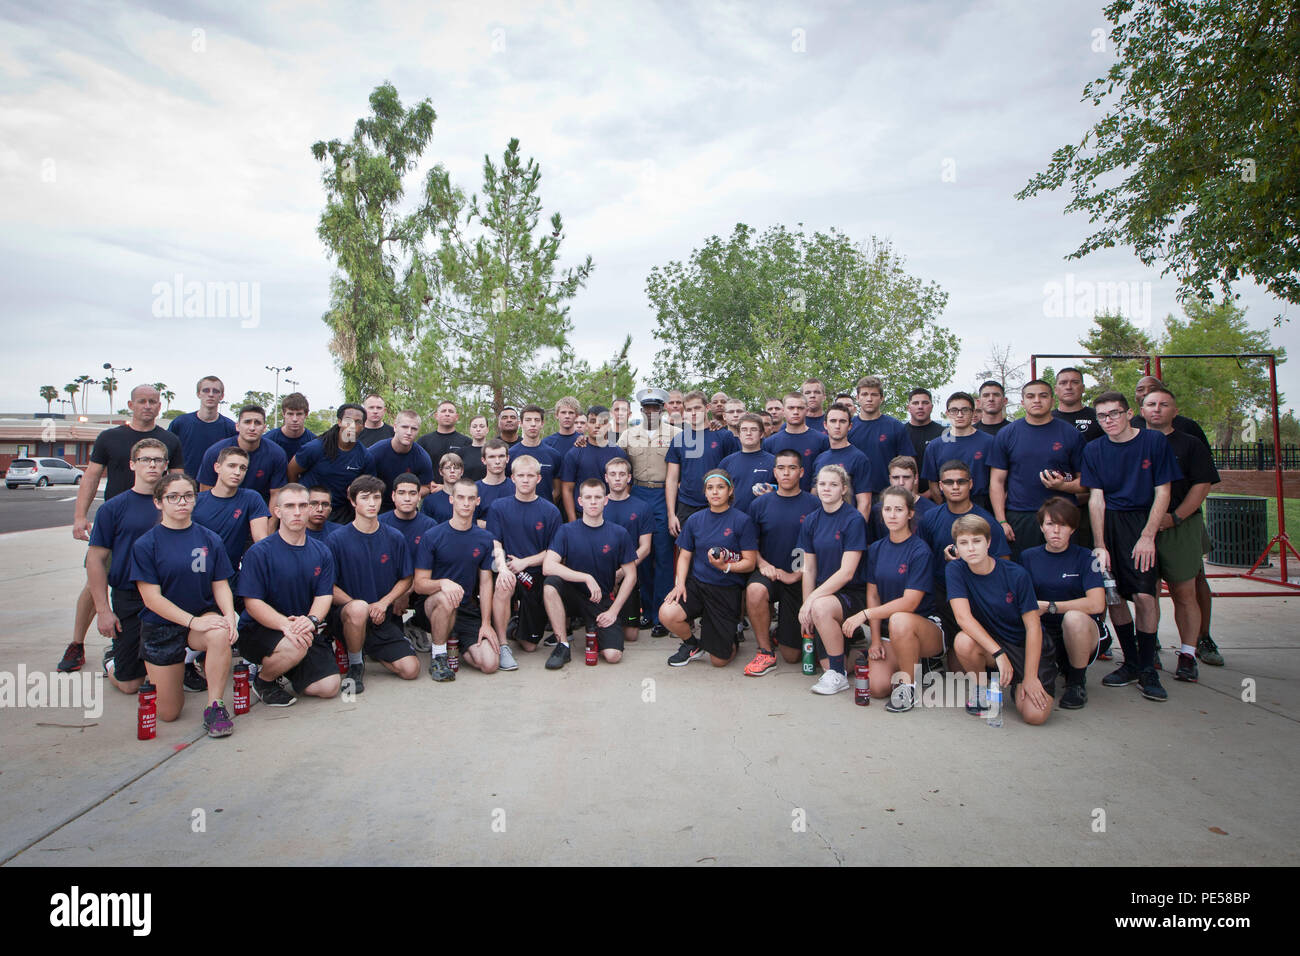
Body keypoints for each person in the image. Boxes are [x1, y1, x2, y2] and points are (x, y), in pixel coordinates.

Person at [62, 384, 181, 674]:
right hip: (120, 524)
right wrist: (80, 516)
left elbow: (178, 479)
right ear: (131, 404)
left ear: (159, 406)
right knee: (96, 582)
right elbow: (91, 476)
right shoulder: (110, 437)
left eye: (153, 401)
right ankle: (77, 643)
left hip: (157, 520)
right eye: (142, 401)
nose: (148, 406)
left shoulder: (170, 441)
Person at [1080, 390, 1180, 702]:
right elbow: (1096, 498)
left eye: (1114, 413)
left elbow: (1163, 492)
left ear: (1127, 413)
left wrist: (1148, 536)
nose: (1108, 420)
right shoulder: (1094, 449)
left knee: (1145, 596)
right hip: (1108, 525)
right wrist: (1100, 544)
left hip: (1141, 523)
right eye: (1102, 416)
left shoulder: (1153, 442)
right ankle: (1132, 663)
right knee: (1114, 597)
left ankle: (1149, 666)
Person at [130, 472, 239, 738]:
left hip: (200, 619)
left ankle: (215, 706)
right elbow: (151, 599)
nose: (182, 502)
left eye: (188, 496)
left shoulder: (210, 538)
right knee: (169, 713)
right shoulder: (147, 544)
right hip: (162, 626)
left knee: (219, 632)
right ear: (159, 502)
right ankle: (114, 668)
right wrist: (192, 621)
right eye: (173, 497)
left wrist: (229, 616)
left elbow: (220, 583)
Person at [236, 483, 342, 708]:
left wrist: (311, 621)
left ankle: (288, 665)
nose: (297, 512)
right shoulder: (260, 552)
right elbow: (252, 603)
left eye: (304, 505)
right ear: (277, 511)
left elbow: (324, 596)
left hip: (302, 628)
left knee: (329, 687)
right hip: (260, 630)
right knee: (295, 647)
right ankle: (264, 680)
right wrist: (285, 625)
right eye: (290, 506)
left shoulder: (322, 551)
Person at [1142, 385, 1221, 681]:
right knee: (1147, 593)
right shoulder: (1134, 442)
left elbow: (1202, 484)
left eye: (1164, 404)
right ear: (1141, 410)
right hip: (1142, 528)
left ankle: (1188, 653)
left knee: (1183, 592)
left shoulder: (1189, 444)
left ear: (1175, 411)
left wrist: (1175, 517)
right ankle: (1149, 650)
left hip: (1179, 525)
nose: (1157, 409)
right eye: (1151, 404)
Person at [948, 514, 1054, 725]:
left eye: (976, 541)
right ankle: (983, 690)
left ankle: (1020, 683)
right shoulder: (955, 569)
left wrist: (1031, 677)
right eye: (964, 543)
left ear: (988, 542)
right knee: (963, 641)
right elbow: (963, 618)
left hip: (1024, 647)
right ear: (956, 548)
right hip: (994, 646)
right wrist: (999, 653)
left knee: (1035, 716)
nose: (971, 548)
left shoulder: (1016, 574)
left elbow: (1033, 628)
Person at [842, 486, 941, 712]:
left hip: (923, 627)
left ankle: (909, 686)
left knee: (899, 618)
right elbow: (873, 595)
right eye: (888, 509)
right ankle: (908, 662)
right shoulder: (876, 549)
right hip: (890, 633)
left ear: (910, 513)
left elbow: (910, 603)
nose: (892, 514)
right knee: (876, 688)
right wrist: (875, 640)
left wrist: (864, 615)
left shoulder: (920, 551)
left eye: (899, 509)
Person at [86, 437, 167, 695]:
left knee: (162, 678)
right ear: (132, 465)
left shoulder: (177, 503)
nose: (152, 465)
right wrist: (103, 610)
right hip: (130, 596)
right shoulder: (113, 509)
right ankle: (113, 661)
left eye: (158, 460)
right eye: (145, 460)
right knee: (131, 685)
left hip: (168, 594)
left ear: (166, 465)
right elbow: (96, 560)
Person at [326, 475, 420, 692]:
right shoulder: (336, 539)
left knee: (411, 670)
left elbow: (406, 578)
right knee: (357, 611)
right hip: (347, 615)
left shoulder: (394, 537)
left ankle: (366, 646)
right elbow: (327, 587)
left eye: (376, 497)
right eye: (365, 497)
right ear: (353, 501)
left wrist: (383, 604)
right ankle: (356, 663)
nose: (371, 503)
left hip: (381, 617)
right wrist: (359, 606)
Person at [661, 469, 758, 668]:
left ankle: (731, 635)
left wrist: (726, 567)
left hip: (725, 589)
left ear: (730, 491)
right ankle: (692, 645)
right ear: (704, 492)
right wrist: (679, 584)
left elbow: (750, 561)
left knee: (719, 661)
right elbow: (684, 555)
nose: (715, 492)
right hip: (698, 585)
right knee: (667, 612)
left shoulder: (742, 520)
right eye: (710, 488)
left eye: (720, 487)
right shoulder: (695, 520)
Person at [541, 479, 639, 669]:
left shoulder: (619, 533)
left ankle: (592, 627)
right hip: (572, 594)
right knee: (550, 585)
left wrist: (613, 611)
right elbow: (548, 566)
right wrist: (586, 577)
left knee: (612, 656)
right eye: (588, 497)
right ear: (580, 501)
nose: (593, 502)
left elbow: (631, 575)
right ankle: (562, 645)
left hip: (599, 598)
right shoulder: (566, 531)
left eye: (597, 497)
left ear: (606, 500)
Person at [1019, 497, 1106, 710]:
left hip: (1083, 630)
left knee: (1073, 618)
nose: (1056, 531)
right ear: (1041, 527)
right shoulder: (1028, 557)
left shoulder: (1087, 557)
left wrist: (1051, 606)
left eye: (1063, 525)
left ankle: (1076, 682)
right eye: (1050, 524)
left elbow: (1097, 604)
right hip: (1044, 631)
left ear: (1073, 529)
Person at [919, 459, 1011, 655]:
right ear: (940, 486)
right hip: (941, 595)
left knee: (962, 662)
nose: (955, 487)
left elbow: (1004, 566)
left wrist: (970, 562)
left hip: (977, 596)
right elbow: (922, 560)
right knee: (953, 662)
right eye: (949, 482)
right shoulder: (929, 518)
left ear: (971, 484)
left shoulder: (988, 522)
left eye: (961, 482)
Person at [987, 379, 1086, 559]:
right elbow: (997, 482)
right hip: (1021, 516)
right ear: (1023, 402)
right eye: (1031, 396)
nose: (1037, 401)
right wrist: (1001, 520)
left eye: (1043, 396)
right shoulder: (1007, 434)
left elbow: (1086, 483)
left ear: (1052, 400)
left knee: (1064, 573)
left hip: (1062, 516)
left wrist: (1063, 486)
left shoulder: (1071, 433)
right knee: (1022, 574)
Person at [794, 464, 870, 694]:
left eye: (833, 484)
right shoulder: (811, 520)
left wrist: (811, 602)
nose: (827, 489)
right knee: (827, 662)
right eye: (822, 484)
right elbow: (808, 567)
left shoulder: (853, 519)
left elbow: (847, 573)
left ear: (844, 488)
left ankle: (837, 676)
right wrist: (805, 605)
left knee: (821, 607)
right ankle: (860, 654)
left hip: (851, 592)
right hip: (823, 595)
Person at [742, 450, 818, 676]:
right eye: (781, 468)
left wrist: (797, 574)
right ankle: (765, 650)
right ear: (774, 472)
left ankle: (781, 633)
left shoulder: (814, 505)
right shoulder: (760, 504)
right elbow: (749, 543)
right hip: (769, 572)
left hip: (799, 575)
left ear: (801, 472)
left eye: (792, 468)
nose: (786, 473)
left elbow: (815, 547)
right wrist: (762, 563)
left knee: (793, 657)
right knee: (755, 590)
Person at [413, 478, 498, 679]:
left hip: (466, 609)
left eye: (471, 499)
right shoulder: (432, 536)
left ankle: (454, 641)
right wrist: (443, 583)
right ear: (451, 500)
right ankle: (439, 657)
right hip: (433, 605)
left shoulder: (485, 538)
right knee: (446, 597)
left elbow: (486, 583)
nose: (466, 503)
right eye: (460, 497)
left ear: (478, 501)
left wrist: (486, 623)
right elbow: (419, 585)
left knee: (490, 664)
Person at [486, 455, 563, 663]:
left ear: (539, 479)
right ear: (513, 478)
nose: (525, 480)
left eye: (530, 476)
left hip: (535, 575)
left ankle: (515, 627)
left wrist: (526, 562)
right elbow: (495, 543)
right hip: (508, 570)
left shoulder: (551, 511)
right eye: (521, 475)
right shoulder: (499, 507)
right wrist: (502, 568)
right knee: (504, 585)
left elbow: (554, 552)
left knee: (529, 646)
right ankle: (503, 646)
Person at [618, 388, 681, 637]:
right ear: (642, 410)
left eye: (656, 408)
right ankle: (645, 611)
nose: (652, 412)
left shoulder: (676, 434)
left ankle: (661, 615)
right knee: (640, 556)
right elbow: (617, 462)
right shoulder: (628, 435)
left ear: (663, 409)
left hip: (663, 494)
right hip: (637, 494)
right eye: (647, 408)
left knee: (664, 556)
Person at [192, 445, 271, 594]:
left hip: (231, 576)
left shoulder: (251, 498)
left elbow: (261, 539)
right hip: (197, 574)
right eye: (231, 466)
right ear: (217, 467)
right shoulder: (195, 501)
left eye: (242, 468)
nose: (237, 472)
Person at [378, 472, 439, 650]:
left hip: (418, 586)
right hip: (388, 587)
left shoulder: (430, 526)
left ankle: (417, 624)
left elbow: (428, 568)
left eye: (412, 493)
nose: (407, 498)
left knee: (439, 593)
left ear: (419, 496)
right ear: (393, 496)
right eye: (402, 493)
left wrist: (405, 593)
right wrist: (396, 595)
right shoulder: (380, 523)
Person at [666, 391, 739, 536]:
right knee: (686, 554)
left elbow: (735, 474)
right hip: (687, 506)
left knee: (718, 553)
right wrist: (671, 515)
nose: (693, 413)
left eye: (697, 408)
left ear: (707, 408)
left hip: (719, 505)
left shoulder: (724, 436)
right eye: (689, 409)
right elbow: (671, 479)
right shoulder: (679, 439)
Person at [289, 404, 375, 523]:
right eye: (348, 421)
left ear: (363, 426)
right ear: (339, 422)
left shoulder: (365, 457)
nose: (352, 426)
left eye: (358, 422)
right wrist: (298, 499)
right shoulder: (315, 448)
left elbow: (368, 488)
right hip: (309, 510)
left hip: (340, 514)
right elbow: (292, 471)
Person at [601, 457, 654, 647]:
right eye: (613, 474)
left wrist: (622, 572)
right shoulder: (598, 504)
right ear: (606, 478)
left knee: (631, 636)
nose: (617, 479)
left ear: (629, 478)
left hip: (628, 572)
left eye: (622, 474)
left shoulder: (642, 507)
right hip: (600, 571)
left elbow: (645, 547)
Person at [196, 404, 288, 504]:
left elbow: (276, 494)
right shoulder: (215, 453)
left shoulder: (277, 454)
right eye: (247, 422)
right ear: (237, 426)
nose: (252, 428)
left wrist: (269, 520)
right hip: (222, 509)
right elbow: (205, 492)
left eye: (257, 423)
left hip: (260, 512)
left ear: (264, 428)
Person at [921, 391, 995, 510]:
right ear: (947, 413)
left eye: (965, 410)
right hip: (947, 506)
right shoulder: (935, 446)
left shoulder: (990, 443)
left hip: (982, 506)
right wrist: (945, 507)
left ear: (973, 413)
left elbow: (997, 481)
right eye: (954, 410)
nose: (959, 415)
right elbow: (933, 484)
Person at [848, 375, 909, 494]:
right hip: (854, 493)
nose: (869, 399)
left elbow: (909, 465)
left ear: (882, 398)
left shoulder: (895, 426)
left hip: (888, 494)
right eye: (865, 394)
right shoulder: (848, 427)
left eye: (874, 395)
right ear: (857, 398)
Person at [559, 406, 621, 520]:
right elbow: (567, 489)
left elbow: (625, 487)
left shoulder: (618, 453)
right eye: (592, 421)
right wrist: (572, 520)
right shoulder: (574, 453)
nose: (597, 425)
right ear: (587, 425)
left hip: (610, 516)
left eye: (602, 422)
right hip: (581, 515)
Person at [811, 403, 872, 519]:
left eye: (842, 421)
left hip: (847, 525)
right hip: (823, 527)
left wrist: (856, 531)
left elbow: (865, 503)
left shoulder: (859, 458)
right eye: (833, 421)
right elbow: (814, 497)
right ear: (825, 425)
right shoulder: (820, 459)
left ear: (849, 426)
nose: (837, 426)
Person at [167, 375, 236, 476]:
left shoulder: (231, 428)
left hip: (215, 487)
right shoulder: (180, 423)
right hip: (184, 486)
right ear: (198, 394)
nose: (211, 394)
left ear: (221, 396)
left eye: (215, 391)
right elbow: (167, 454)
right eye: (206, 390)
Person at [762, 391, 829, 494]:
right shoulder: (770, 443)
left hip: (814, 501)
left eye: (800, 408)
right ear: (783, 411)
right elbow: (768, 476)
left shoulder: (822, 440)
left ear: (807, 410)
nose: (796, 412)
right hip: (780, 501)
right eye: (791, 408)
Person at [368, 409, 435, 512]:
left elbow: (426, 486)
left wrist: (406, 496)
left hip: (407, 509)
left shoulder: (422, 458)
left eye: (414, 429)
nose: (409, 432)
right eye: (404, 427)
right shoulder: (375, 453)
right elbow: (362, 481)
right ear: (395, 427)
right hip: (377, 506)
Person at [719, 412, 776, 514]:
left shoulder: (774, 462)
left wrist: (773, 493)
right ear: (739, 434)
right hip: (733, 520)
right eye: (744, 430)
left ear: (761, 434)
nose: (748, 433)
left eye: (753, 429)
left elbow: (785, 492)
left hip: (764, 518)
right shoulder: (726, 462)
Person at [868, 455, 937, 538]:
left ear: (915, 478)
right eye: (896, 477)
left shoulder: (931, 511)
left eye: (906, 477)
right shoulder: (877, 510)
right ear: (890, 479)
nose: (901, 482)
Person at [1131, 376, 1211, 446]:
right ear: (1135, 397)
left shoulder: (1188, 427)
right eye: (1140, 389)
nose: (1146, 392)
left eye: (1153, 389)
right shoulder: (1128, 426)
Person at [509, 404, 563, 506]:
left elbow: (557, 490)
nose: (533, 424)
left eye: (537, 420)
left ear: (542, 423)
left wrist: (545, 506)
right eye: (528, 420)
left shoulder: (554, 455)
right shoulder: (511, 454)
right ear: (521, 423)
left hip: (545, 513)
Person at [905, 387, 944, 493]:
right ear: (908, 407)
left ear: (931, 407)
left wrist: (928, 495)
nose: (920, 407)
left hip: (938, 495)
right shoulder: (900, 432)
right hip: (906, 496)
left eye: (925, 403)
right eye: (916, 403)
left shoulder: (944, 433)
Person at [416, 400, 471, 476]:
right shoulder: (423, 441)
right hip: (430, 486)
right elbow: (417, 467)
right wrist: (429, 483)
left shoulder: (467, 442)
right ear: (436, 416)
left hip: (457, 487)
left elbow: (469, 470)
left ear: (456, 417)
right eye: (443, 411)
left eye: (451, 411)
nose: (447, 414)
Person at [1052, 367, 1104, 442]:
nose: (1068, 387)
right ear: (1056, 390)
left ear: (1083, 388)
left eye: (1075, 382)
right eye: (1063, 383)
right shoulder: (1046, 419)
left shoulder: (1100, 417)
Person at [265, 392, 317, 461]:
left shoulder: (314, 443)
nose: (294, 419)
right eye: (290, 414)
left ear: (306, 414)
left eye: (299, 414)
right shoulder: (267, 441)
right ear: (283, 414)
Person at [475, 438, 516, 525]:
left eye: (501, 456)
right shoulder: (474, 489)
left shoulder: (517, 487)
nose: (497, 461)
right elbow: (469, 522)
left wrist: (485, 524)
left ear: (507, 458)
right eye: (492, 457)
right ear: (484, 460)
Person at [420, 453, 466, 523]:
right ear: (441, 471)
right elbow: (424, 526)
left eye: (456, 468)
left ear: (462, 471)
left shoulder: (469, 499)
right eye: (448, 468)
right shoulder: (430, 501)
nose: (452, 471)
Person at [461, 415, 489, 482]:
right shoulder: (461, 453)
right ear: (470, 430)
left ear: (487, 430)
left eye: (482, 426)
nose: (478, 429)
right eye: (474, 426)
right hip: (467, 490)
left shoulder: (494, 451)